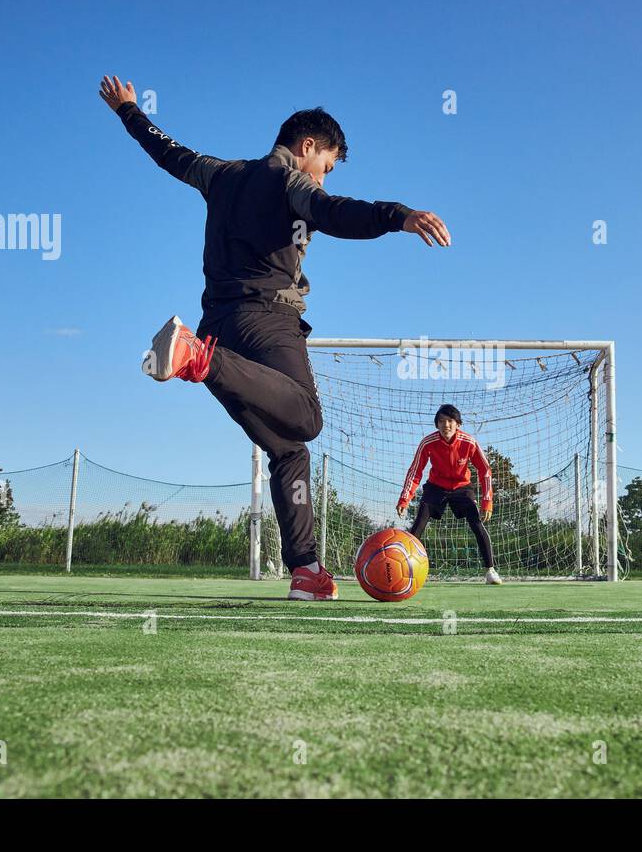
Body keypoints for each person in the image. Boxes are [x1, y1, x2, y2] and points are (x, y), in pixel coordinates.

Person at [99, 75, 452, 600]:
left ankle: (306, 570)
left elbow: (168, 153)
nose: (323, 179)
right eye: (326, 165)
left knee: (288, 450)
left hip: (219, 326)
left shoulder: (219, 173)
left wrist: (129, 111)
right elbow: (334, 212)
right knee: (306, 418)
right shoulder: (293, 183)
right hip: (265, 323)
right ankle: (196, 358)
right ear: (307, 146)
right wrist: (397, 216)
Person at [397, 404, 500, 585]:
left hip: (462, 487)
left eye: (450, 421)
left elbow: (485, 470)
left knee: (476, 523)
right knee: (419, 522)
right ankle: (403, 569)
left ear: (458, 424)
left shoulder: (469, 442)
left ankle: (490, 570)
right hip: (436, 486)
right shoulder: (428, 443)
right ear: (437, 425)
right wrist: (405, 499)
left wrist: (487, 501)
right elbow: (415, 471)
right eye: (442, 421)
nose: (446, 425)